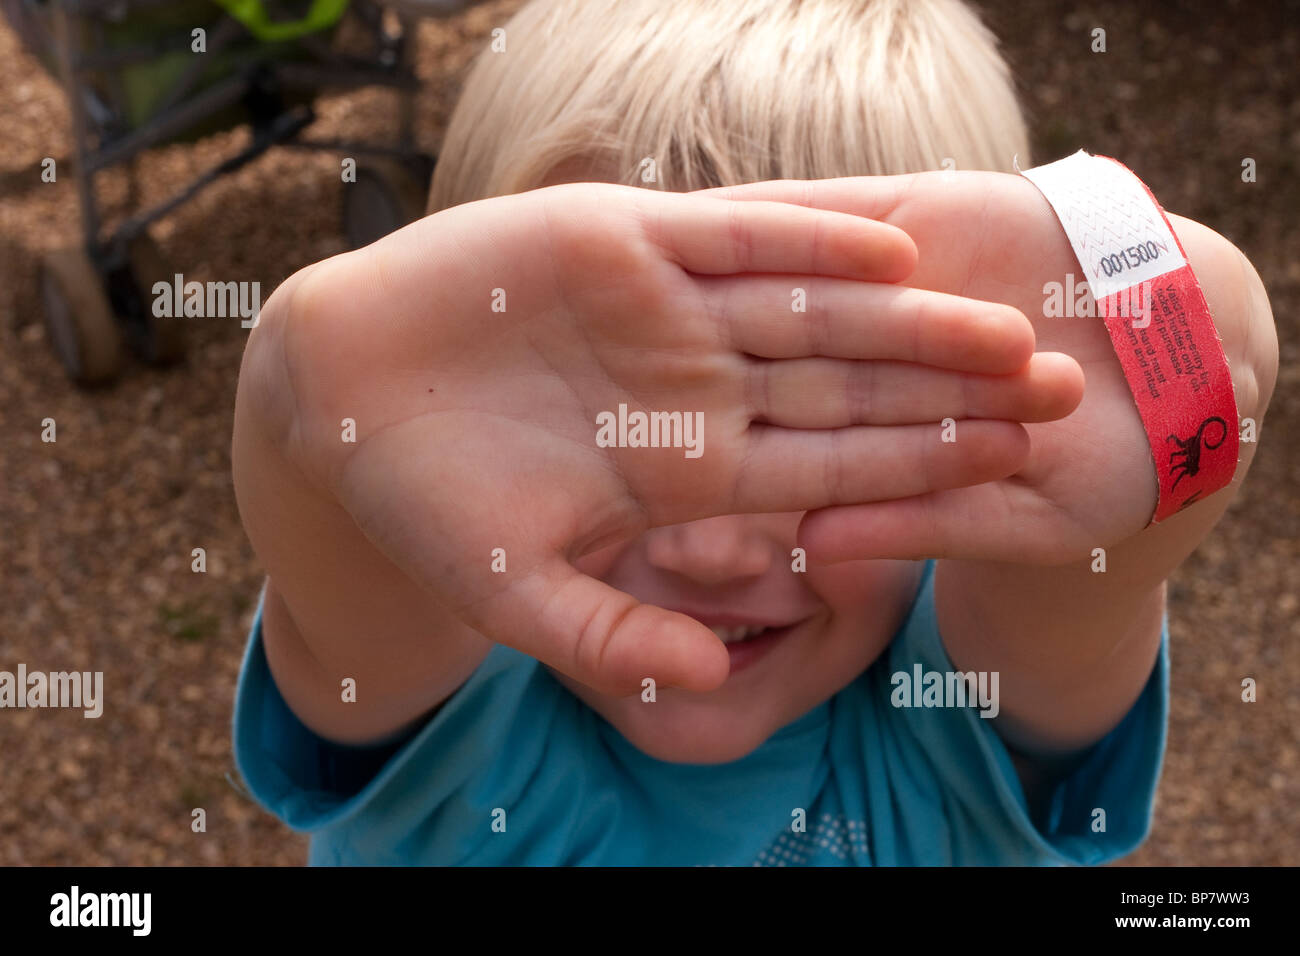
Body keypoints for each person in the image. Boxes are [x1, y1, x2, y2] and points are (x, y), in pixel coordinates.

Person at [230, 0, 1278, 864]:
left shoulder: (956, 709)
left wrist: (1185, 334)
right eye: (610, 428)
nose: (709, 547)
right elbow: (340, 516)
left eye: (813, 415)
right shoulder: (449, 696)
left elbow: (1148, 455)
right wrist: (301, 383)